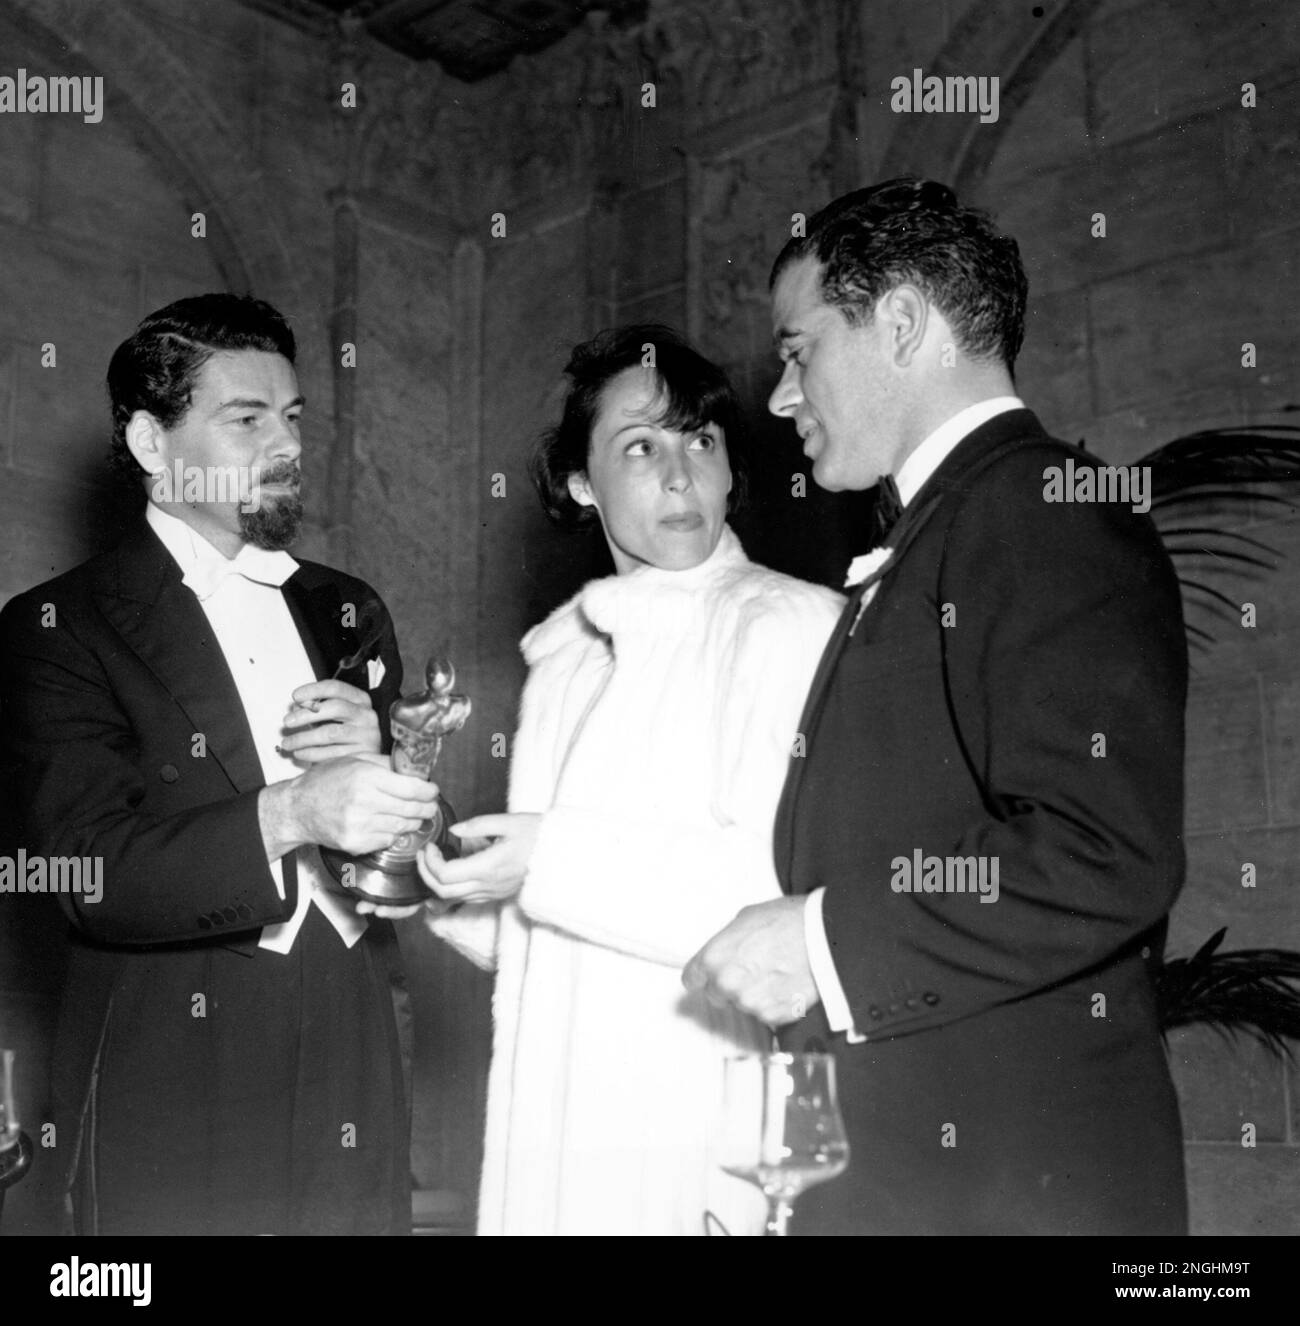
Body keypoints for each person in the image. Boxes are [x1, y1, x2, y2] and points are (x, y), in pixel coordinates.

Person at [684, 178, 1189, 1235]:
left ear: (901, 323)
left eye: (797, 349)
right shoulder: (948, 530)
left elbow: (1103, 850)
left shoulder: (1034, 511)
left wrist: (816, 943)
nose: (780, 396)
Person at [0, 294, 437, 1235]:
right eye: (245, 419)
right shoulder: (57, 627)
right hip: (171, 1043)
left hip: (354, 1023)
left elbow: (401, 867)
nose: (283, 444)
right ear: (153, 445)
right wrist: (295, 813)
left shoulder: (349, 608)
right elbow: (83, 873)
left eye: (291, 418)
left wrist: (394, 783)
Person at [412, 326, 843, 1235]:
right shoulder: (568, 656)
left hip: (703, 1115)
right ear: (581, 484)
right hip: (555, 1124)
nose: (680, 475)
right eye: (640, 447)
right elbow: (555, 931)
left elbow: (782, 896)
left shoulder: (792, 624)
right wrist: (436, 880)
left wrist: (544, 856)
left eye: (702, 440)